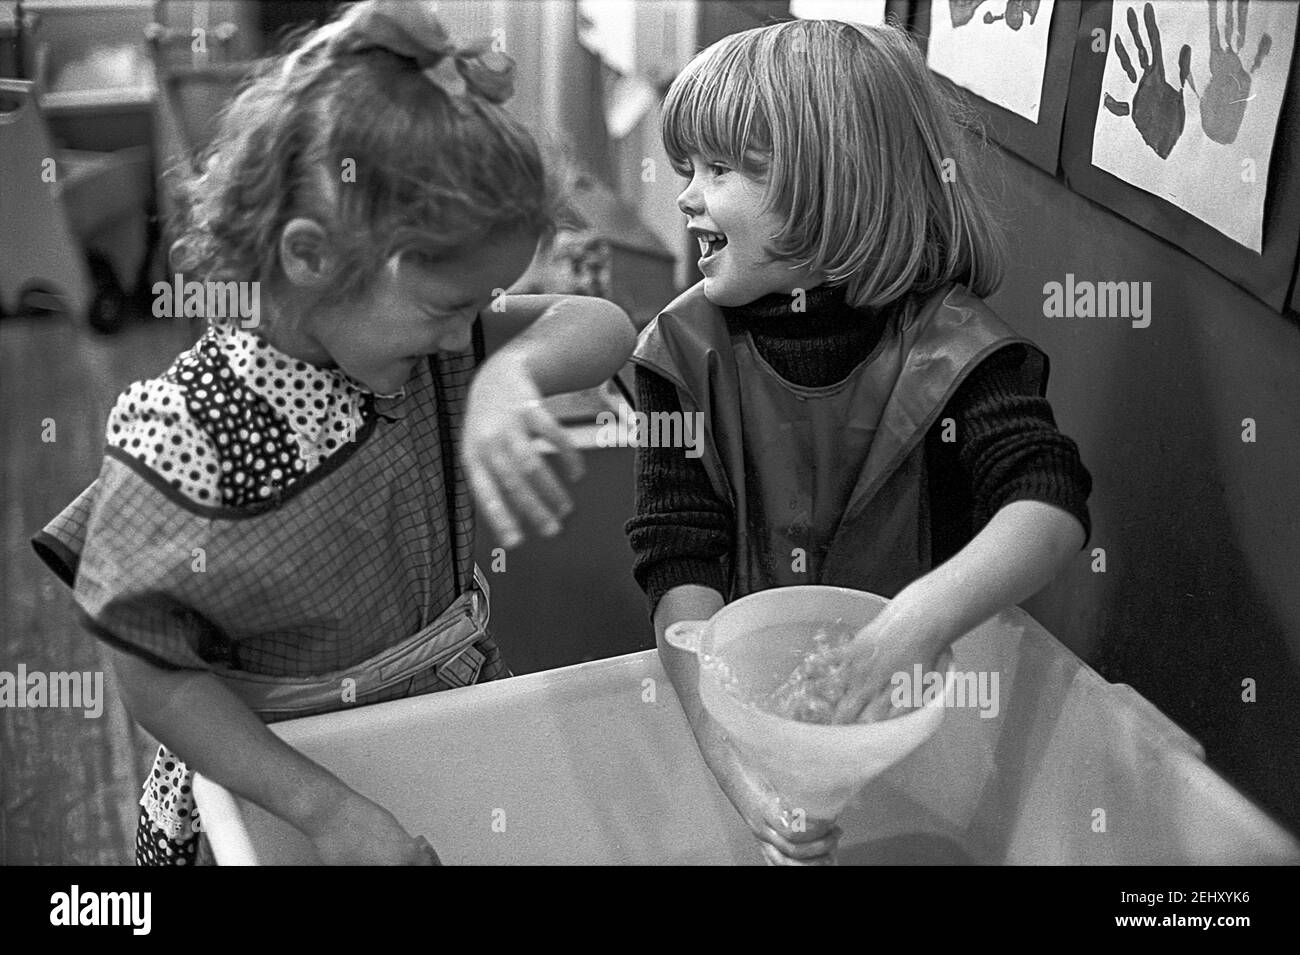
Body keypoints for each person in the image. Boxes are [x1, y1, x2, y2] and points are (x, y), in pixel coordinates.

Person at [32, 0, 636, 866]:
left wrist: (514, 371)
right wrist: (321, 808)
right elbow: (155, 676)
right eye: (449, 306)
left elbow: (604, 322)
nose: (464, 331)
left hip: (434, 731)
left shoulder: (432, 344)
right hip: (277, 790)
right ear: (311, 257)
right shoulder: (185, 437)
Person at [627, 19, 1093, 866]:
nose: (687, 196)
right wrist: (738, 763)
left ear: (832, 186)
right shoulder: (680, 353)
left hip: (930, 738)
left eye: (721, 169)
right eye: (687, 167)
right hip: (750, 723)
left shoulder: (953, 347)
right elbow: (677, 559)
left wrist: (903, 632)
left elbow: (1049, 507)